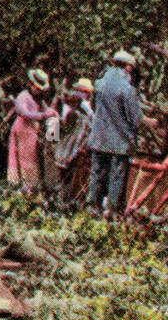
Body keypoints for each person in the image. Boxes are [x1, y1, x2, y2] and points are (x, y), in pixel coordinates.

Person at [88, 50, 143, 217]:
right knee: (116, 175)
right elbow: (136, 119)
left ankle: (92, 205)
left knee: (97, 172)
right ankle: (111, 210)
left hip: (99, 137)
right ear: (128, 67)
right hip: (119, 140)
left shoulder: (99, 84)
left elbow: (93, 106)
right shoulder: (127, 89)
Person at [7, 69, 53, 191]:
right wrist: (42, 116)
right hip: (22, 128)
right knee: (23, 156)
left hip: (32, 130)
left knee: (31, 156)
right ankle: (22, 184)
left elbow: (46, 109)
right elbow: (25, 113)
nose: (37, 90)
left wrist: (51, 113)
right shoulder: (23, 96)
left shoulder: (38, 98)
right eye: (36, 87)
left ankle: (30, 185)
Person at [53, 78, 95, 208]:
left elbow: (91, 122)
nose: (83, 94)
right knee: (65, 172)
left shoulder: (85, 107)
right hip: (69, 142)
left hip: (77, 143)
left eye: (85, 92)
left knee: (71, 173)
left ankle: (65, 198)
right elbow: (63, 121)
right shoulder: (71, 106)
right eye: (81, 91)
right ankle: (60, 198)